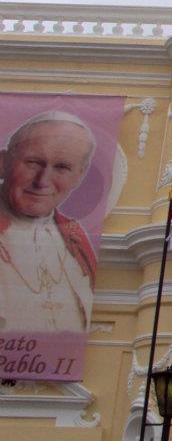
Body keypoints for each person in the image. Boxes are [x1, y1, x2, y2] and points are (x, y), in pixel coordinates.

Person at [0, 112, 97, 333]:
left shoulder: (75, 239)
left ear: (80, 176)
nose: (42, 181)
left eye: (62, 167)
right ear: (3, 162)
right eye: (34, 163)